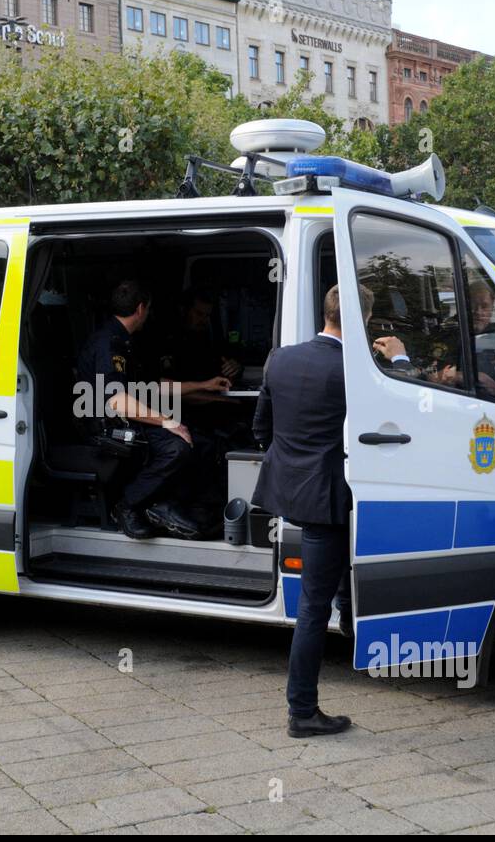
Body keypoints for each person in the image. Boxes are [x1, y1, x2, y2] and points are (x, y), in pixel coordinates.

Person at [253, 286, 352, 739]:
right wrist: (402, 362)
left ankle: (352, 630)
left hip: (291, 489)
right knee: (314, 608)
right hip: (327, 497)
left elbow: (261, 428)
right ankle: (302, 712)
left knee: (325, 594)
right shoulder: (353, 369)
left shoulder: (281, 358)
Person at [76, 280, 230, 540]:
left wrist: (204, 385)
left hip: (125, 420)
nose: (148, 314)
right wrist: (167, 422)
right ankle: (126, 506)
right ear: (140, 309)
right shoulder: (108, 344)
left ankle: (174, 506)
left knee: (204, 442)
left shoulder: (127, 341)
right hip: (106, 426)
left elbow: (154, 386)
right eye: (148, 309)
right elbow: (117, 401)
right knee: (177, 447)